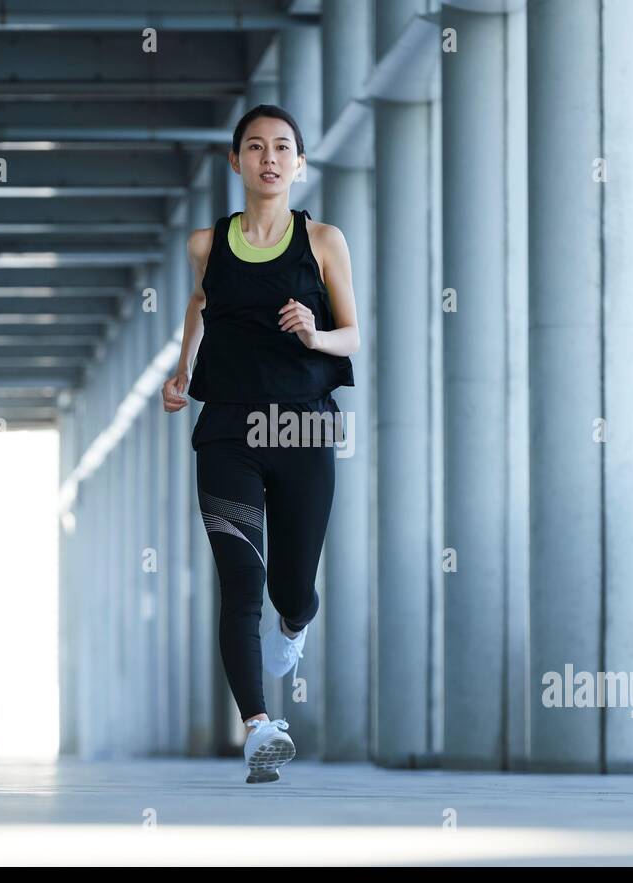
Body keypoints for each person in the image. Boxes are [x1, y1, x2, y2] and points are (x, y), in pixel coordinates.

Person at [161, 104, 360, 783]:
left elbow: (354, 336)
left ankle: (293, 629)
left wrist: (315, 331)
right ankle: (257, 727)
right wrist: (184, 368)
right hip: (229, 433)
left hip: (303, 428)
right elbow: (198, 303)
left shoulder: (325, 242)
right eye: (254, 147)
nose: (269, 158)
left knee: (292, 588)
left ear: (299, 165)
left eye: (282, 148)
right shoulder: (206, 244)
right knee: (241, 579)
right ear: (236, 162)